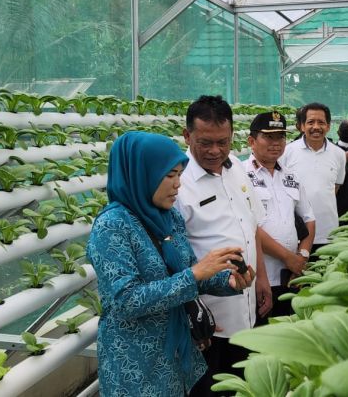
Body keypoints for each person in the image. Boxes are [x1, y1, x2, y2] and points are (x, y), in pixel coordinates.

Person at [87, 132, 255, 397]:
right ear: (142, 174)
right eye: (170, 176)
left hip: (177, 356)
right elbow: (126, 300)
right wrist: (195, 274)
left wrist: (228, 281)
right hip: (137, 365)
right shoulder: (113, 226)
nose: (178, 184)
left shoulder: (170, 218)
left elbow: (190, 273)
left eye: (180, 174)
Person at [175, 95, 272, 397]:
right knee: (210, 388)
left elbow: (251, 225)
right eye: (205, 142)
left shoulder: (237, 170)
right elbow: (175, 257)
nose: (215, 151)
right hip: (208, 320)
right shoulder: (178, 182)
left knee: (241, 384)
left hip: (245, 309)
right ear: (187, 135)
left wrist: (263, 279)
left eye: (223, 141)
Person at [242, 111, 316, 324]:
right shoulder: (242, 175)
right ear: (251, 141)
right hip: (259, 277)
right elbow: (250, 226)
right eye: (269, 137)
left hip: (290, 276)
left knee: (288, 330)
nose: (276, 143)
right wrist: (288, 257)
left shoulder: (290, 176)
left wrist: (301, 257)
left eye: (281, 137)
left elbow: (309, 219)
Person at [280, 102, 346, 252]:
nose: (316, 127)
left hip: (327, 233)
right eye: (310, 122)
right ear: (302, 126)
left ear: (328, 126)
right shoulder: (287, 152)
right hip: (296, 232)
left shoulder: (339, 155)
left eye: (321, 122)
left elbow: (335, 188)